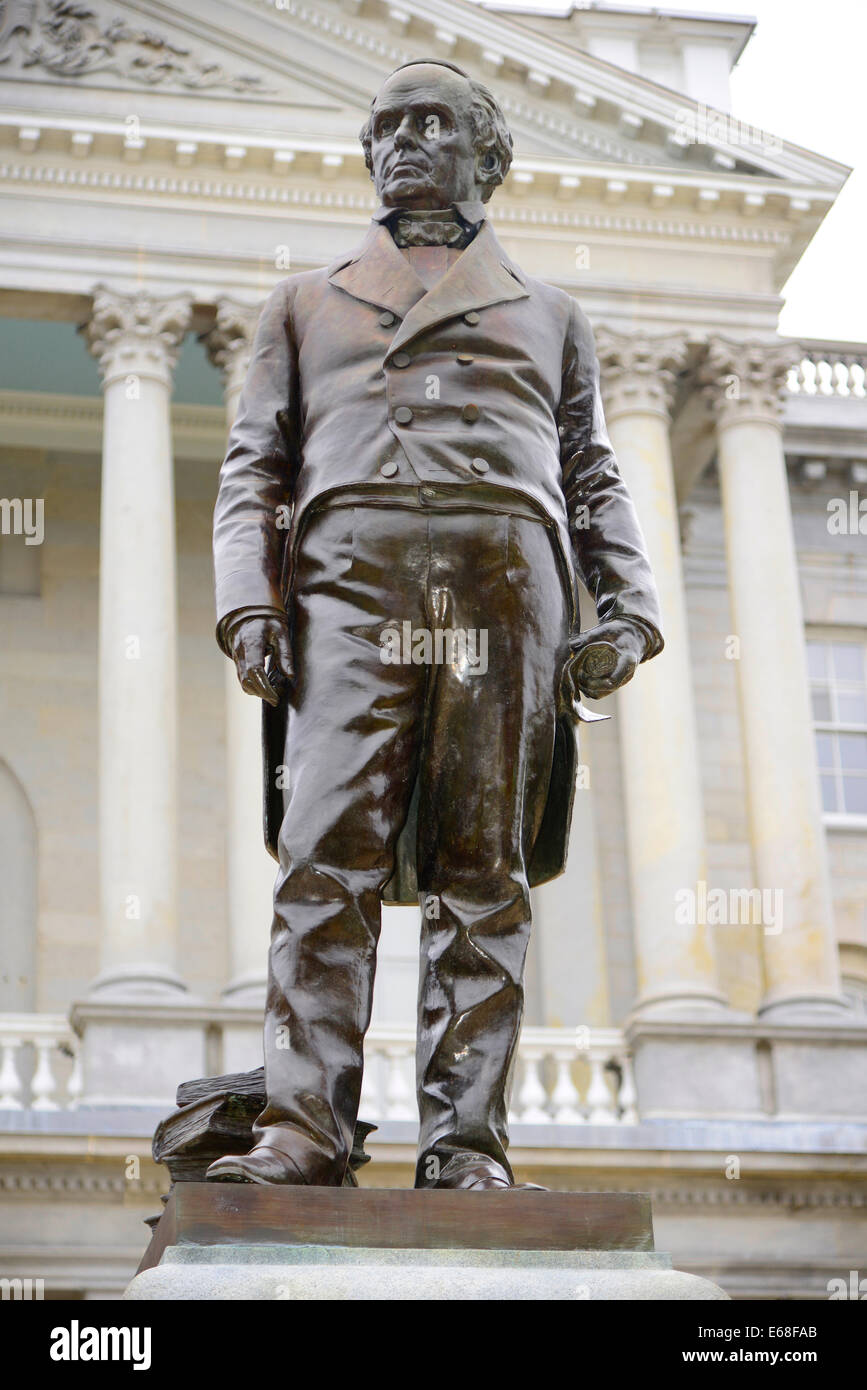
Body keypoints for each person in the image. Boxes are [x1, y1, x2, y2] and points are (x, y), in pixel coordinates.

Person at [207, 59, 663, 1191]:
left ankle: (466, 1146)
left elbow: (591, 472)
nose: (405, 142)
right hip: (349, 588)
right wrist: (249, 601)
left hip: (506, 587)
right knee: (325, 858)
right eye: (387, 127)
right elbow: (253, 466)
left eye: (433, 123)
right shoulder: (303, 302)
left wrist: (631, 604)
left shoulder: (552, 313)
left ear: (487, 156)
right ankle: (304, 1128)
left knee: (483, 871)